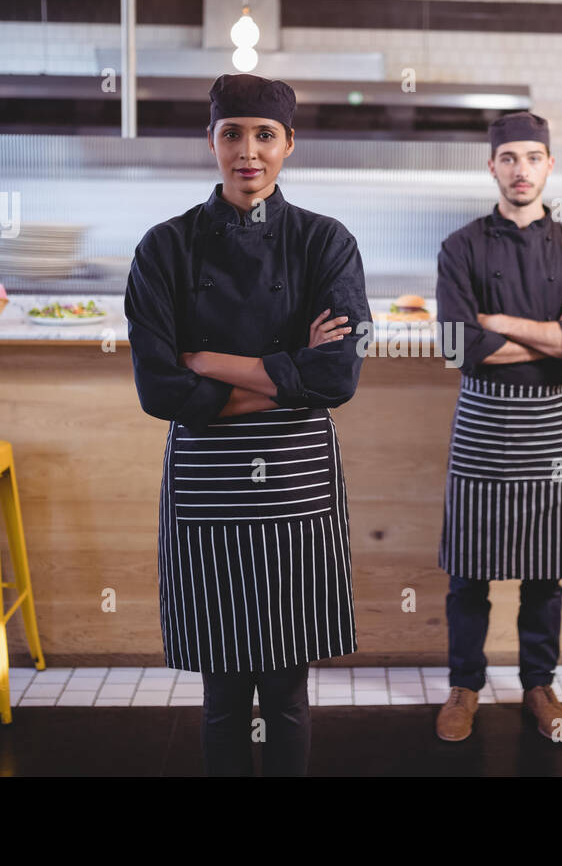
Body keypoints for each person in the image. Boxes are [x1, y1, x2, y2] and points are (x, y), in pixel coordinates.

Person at [124, 73, 370, 775]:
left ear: (290, 144)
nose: (248, 151)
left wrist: (210, 361)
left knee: (289, 692)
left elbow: (338, 377)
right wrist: (288, 375)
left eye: (265, 135)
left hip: (294, 486)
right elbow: (160, 388)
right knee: (223, 693)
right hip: (210, 488)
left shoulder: (326, 243)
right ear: (211, 141)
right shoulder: (164, 249)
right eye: (232, 133)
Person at [433, 110, 562, 743]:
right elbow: (458, 346)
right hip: (480, 422)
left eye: (532, 157)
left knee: (544, 573)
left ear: (549, 165)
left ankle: (539, 685)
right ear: (492, 167)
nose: (520, 170)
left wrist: (498, 323)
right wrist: (553, 336)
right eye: (509, 158)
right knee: (468, 574)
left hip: (545, 429)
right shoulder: (461, 245)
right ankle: (464, 686)